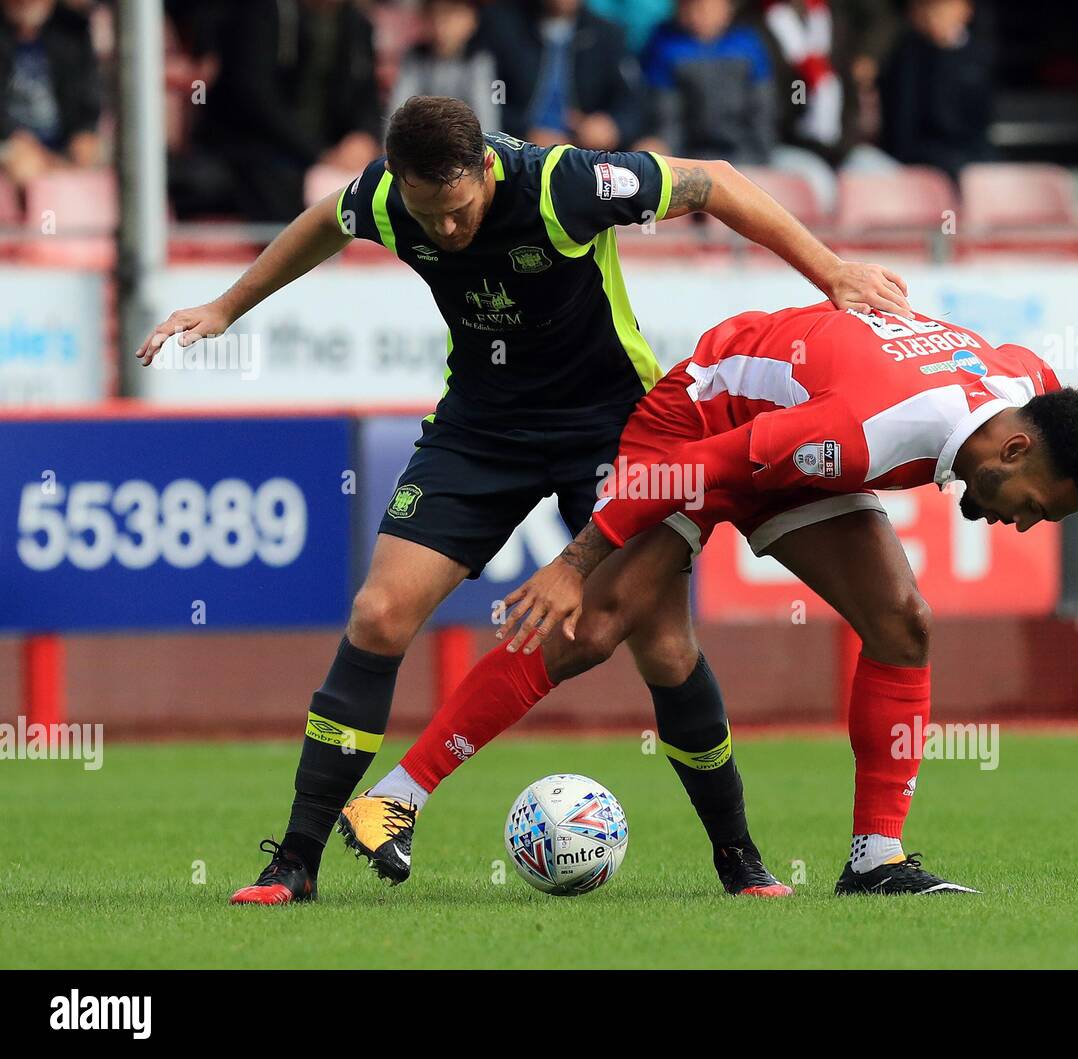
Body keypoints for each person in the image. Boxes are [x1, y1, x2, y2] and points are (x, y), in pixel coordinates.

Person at [136, 96, 912, 904]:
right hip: (482, 429)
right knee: (377, 614)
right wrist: (225, 306)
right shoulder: (384, 196)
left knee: (664, 647)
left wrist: (833, 271)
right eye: (426, 215)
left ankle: (739, 857)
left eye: (460, 211)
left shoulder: (565, 184)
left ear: (487, 169)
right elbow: (322, 223)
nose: (444, 231)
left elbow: (712, 182)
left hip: (617, 429)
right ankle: (294, 862)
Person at [351, 300, 1078, 896]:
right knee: (594, 625)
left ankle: (875, 860)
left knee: (902, 625)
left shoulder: (1024, 387)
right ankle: (394, 797)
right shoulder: (870, 429)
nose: (1021, 523)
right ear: (1016, 447)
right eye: (1032, 504)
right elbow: (706, 468)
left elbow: (1059, 403)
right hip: (700, 426)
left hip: (792, 440)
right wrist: (573, 559)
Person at [169, 0, 382, 222]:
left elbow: (366, 97)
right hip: (255, 157)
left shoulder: (357, 24)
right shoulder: (259, 13)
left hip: (327, 159)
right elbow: (254, 100)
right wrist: (319, 154)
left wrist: (363, 136)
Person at [480, 0, 642, 150]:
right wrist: (521, 132)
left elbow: (632, 99)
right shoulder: (503, 26)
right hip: (515, 151)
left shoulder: (607, 34)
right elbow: (492, 94)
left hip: (584, 153)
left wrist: (613, 126)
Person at [641, 0, 777, 163]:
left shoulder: (748, 45)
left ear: (727, 9)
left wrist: (758, 159)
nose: (696, 15)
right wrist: (667, 153)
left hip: (746, 156)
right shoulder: (664, 46)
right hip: (689, 158)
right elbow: (666, 117)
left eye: (705, 7)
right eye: (687, 6)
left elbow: (763, 114)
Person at [878, 0, 992, 180]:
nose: (938, 15)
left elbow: (981, 120)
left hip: (971, 152)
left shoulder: (978, 55)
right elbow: (902, 125)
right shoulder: (908, 55)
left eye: (947, 7)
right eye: (934, 8)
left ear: (966, 10)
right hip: (923, 154)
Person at [0, 0, 102, 190]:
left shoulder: (72, 29)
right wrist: (14, 138)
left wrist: (84, 133)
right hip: (11, 145)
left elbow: (88, 98)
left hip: (63, 146)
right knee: (23, 166)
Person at [387, 0, 498, 126]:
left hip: (465, 140)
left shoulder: (479, 61)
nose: (440, 25)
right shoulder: (414, 59)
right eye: (433, 15)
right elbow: (398, 111)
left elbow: (486, 118)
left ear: (471, 19)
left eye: (449, 16)